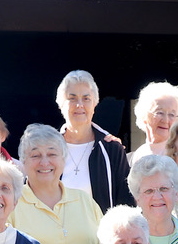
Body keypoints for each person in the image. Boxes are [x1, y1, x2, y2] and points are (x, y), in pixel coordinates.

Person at [10, 123, 103, 244]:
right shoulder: (12, 205)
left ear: (63, 159)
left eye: (52, 154)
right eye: (35, 155)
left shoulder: (85, 201)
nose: (45, 162)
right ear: (23, 162)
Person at [56, 69, 133, 210]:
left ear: (94, 104)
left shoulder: (111, 149)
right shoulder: (49, 149)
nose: (79, 105)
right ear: (61, 104)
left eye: (86, 98)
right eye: (72, 98)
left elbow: (125, 204)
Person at [129, 81, 178, 163]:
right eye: (160, 112)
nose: (165, 120)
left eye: (171, 114)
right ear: (145, 114)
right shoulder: (134, 157)